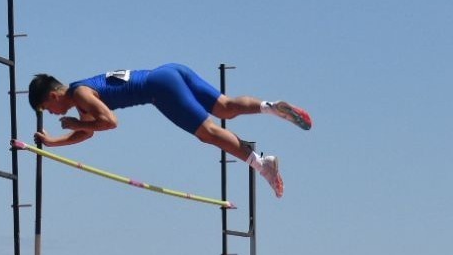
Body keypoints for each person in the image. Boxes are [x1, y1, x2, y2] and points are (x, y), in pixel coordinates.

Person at [29, 66, 311, 197]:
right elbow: (90, 132)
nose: (52, 114)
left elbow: (109, 122)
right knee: (225, 107)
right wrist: (54, 142)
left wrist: (78, 124)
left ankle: (263, 165)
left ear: (53, 96)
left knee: (208, 133)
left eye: (46, 108)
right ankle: (271, 107)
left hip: (160, 90)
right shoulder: (81, 90)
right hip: (170, 71)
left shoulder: (80, 96)